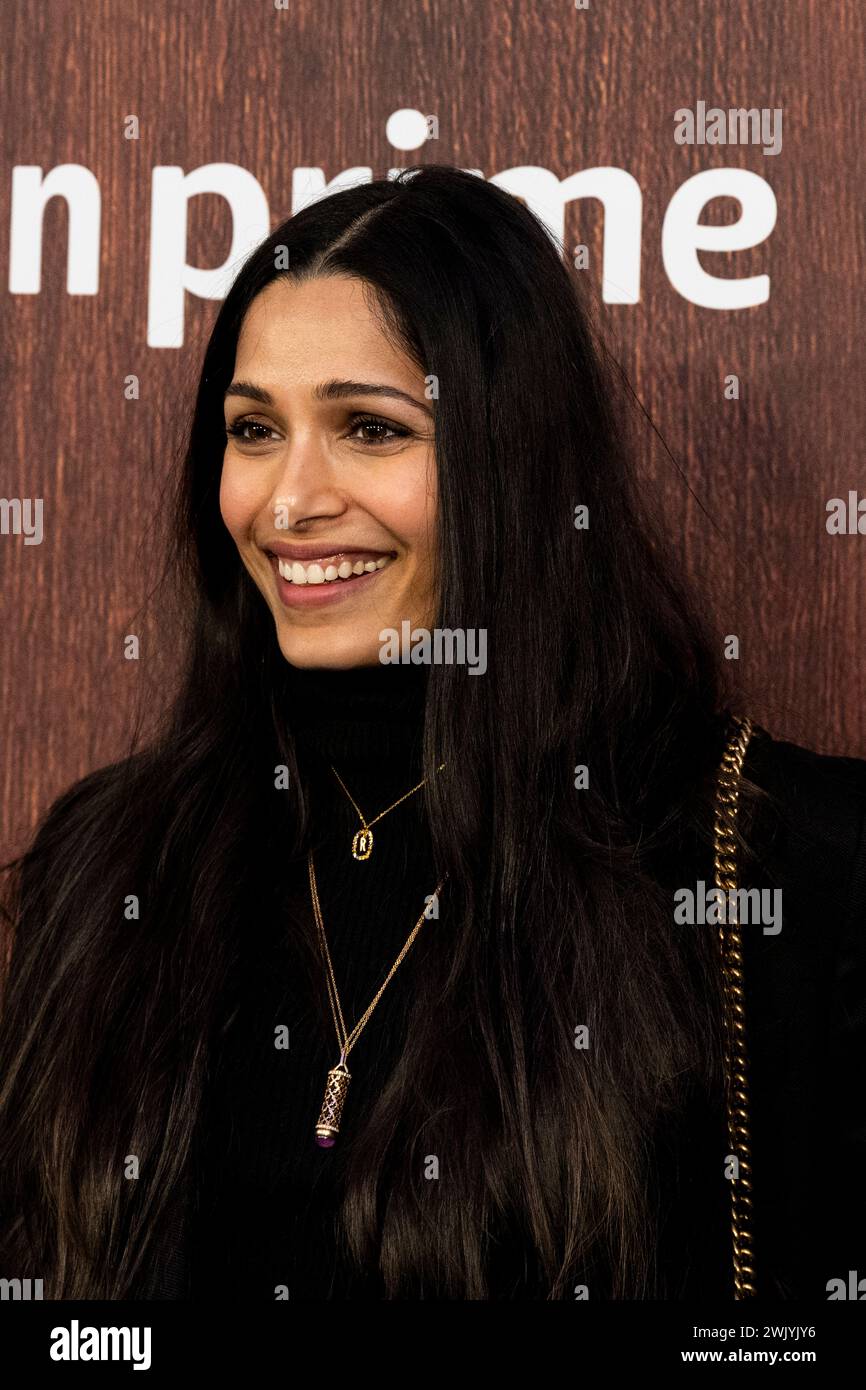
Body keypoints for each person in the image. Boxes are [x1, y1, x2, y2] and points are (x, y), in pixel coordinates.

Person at [0, 165, 863, 1301]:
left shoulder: (778, 861)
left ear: (510, 460)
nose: (287, 501)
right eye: (254, 429)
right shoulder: (107, 862)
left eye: (368, 427)